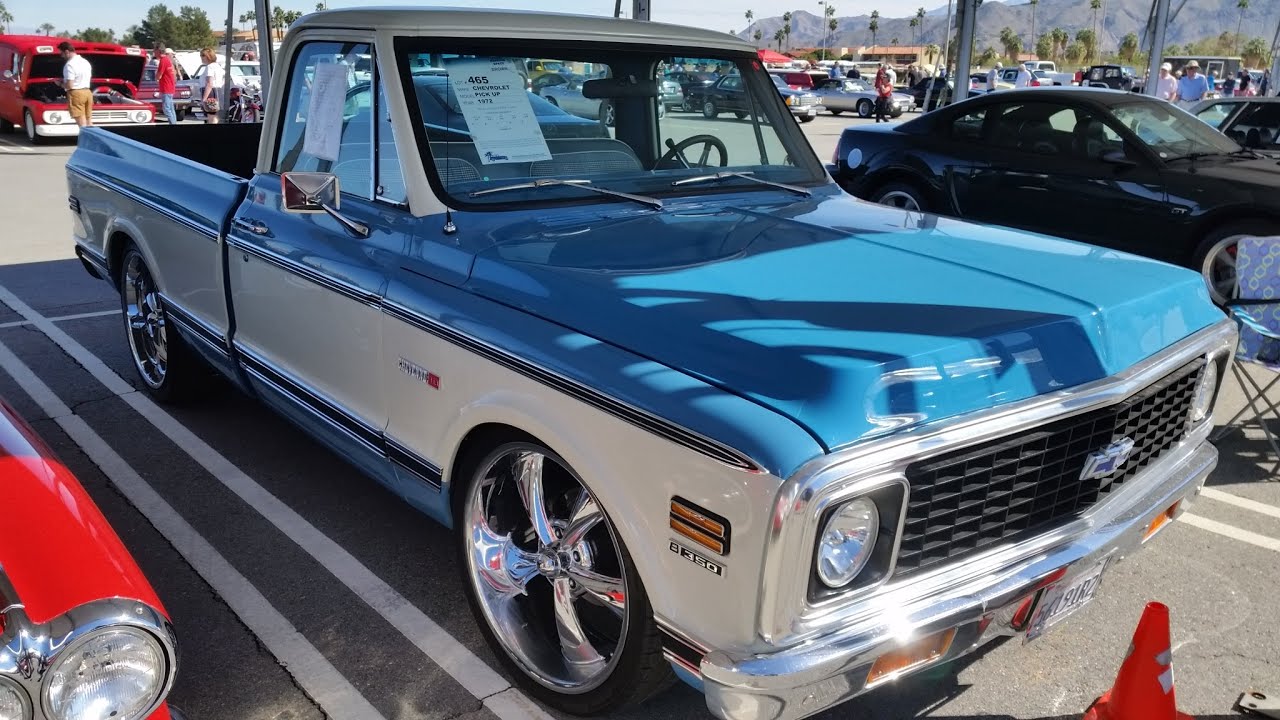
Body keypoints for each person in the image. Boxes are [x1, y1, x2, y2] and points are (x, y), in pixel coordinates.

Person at [59, 41, 93, 128]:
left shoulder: (69, 65)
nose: (61, 56)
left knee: (82, 125)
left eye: (62, 53)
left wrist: (60, 84)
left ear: (67, 51)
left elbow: (70, 85)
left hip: (76, 94)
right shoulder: (85, 62)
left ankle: (85, 141)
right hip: (88, 92)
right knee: (89, 122)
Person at [199, 47, 225, 124]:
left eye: (202, 55)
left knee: (211, 116)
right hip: (218, 91)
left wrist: (204, 99)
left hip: (210, 92)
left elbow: (209, 83)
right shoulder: (218, 66)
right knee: (215, 115)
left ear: (207, 56)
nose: (201, 57)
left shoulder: (209, 67)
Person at [154, 42, 177, 124]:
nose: (154, 52)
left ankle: (172, 124)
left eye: (154, 50)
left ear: (158, 51)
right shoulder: (168, 60)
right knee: (171, 108)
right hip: (170, 88)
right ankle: (174, 123)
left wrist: (156, 77)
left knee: (166, 109)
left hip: (166, 88)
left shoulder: (163, 61)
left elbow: (158, 76)